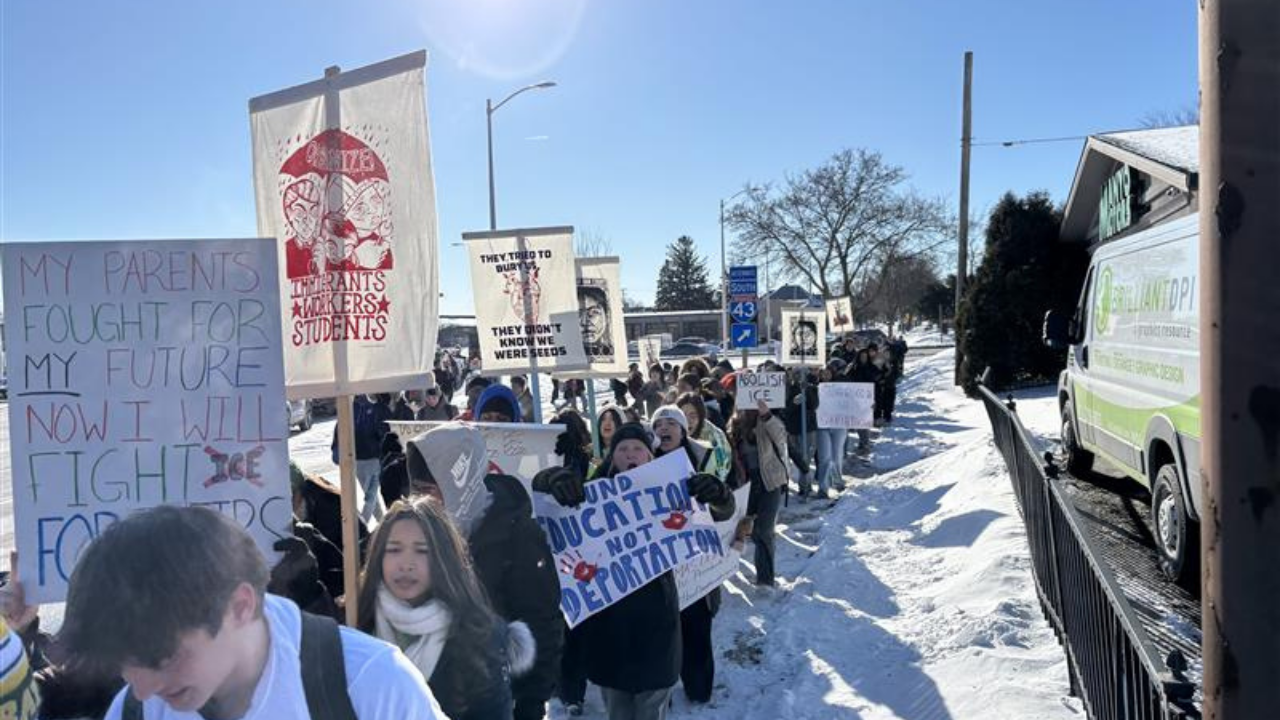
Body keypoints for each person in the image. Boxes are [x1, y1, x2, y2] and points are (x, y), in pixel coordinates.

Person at [58, 505, 446, 720]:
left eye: (162, 658)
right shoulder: (135, 711)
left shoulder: (371, 686)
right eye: (125, 667)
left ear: (240, 606)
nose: (143, 689)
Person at [532, 423, 735, 720]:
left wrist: (718, 493)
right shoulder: (589, 494)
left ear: (650, 456)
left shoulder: (671, 487)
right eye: (622, 449)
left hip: (658, 626)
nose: (630, 454)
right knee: (618, 710)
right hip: (609, 632)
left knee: (652, 709)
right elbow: (542, 496)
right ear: (611, 456)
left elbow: (721, 513)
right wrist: (552, 479)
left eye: (638, 448)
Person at [403, 424, 563, 720]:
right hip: (429, 699)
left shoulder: (518, 536)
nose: (420, 502)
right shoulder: (417, 534)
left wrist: (530, 703)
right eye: (416, 489)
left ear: (458, 482)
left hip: (497, 701)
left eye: (428, 490)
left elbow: (542, 624)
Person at [358, 498, 534, 720]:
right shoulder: (353, 623)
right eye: (394, 550)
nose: (406, 564)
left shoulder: (480, 639)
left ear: (443, 558)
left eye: (422, 551)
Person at [730, 399, 790, 587]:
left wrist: (767, 415)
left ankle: (765, 581)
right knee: (745, 529)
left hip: (770, 481)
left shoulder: (768, 420)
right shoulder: (736, 423)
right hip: (746, 483)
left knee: (764, 531)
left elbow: (781, 437)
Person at [331, 393, 393, 523]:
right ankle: (363, 526)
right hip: (373, 458)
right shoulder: (374, 409)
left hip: (357, 459)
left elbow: (338, 432)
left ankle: (382, 523)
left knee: (371, 496)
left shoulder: (347, 410)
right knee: (371, 496)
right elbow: (382, 432)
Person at [813, 360, 850, 497]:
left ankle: (838, 482)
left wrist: (867, 406)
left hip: (839, 425)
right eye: (823, 373)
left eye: (828, 373)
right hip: (822, 426)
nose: (825, 375)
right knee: (824, 457)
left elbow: (853, 403)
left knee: (837, 456)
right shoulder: (815, 388)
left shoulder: (842, 387)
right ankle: (823, 488)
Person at [847, 349, 878, 454]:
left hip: (867, 398)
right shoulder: (853, 368)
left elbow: (876, 384)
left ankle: (864, 443)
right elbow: (846, 379)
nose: (863, 358)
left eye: (865, 356)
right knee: (857, 421)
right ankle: (863, 442)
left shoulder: (872, 368)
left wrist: (875, 399)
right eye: (861, 356)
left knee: (864, 422)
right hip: (854, 398)